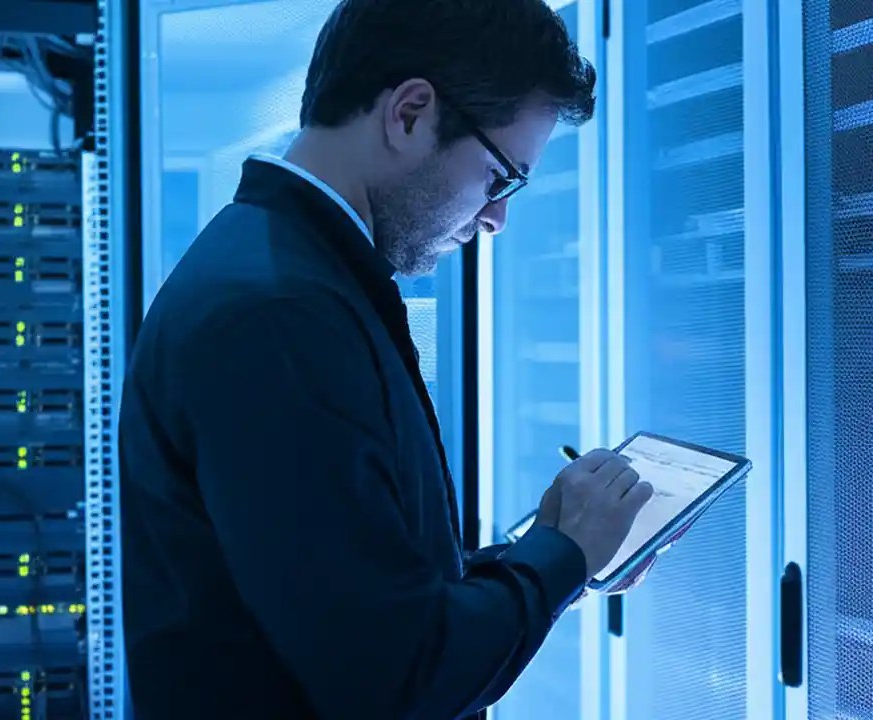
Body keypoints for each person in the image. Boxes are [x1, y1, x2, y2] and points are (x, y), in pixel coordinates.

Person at [119, 1, 660, 717]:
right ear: (408, 114)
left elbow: (348, 597)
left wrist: (557, 551)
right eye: (501, 178)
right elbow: (398, 676)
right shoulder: (281, 314)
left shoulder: (289, 274)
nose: (496, 219)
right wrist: (562, 557)